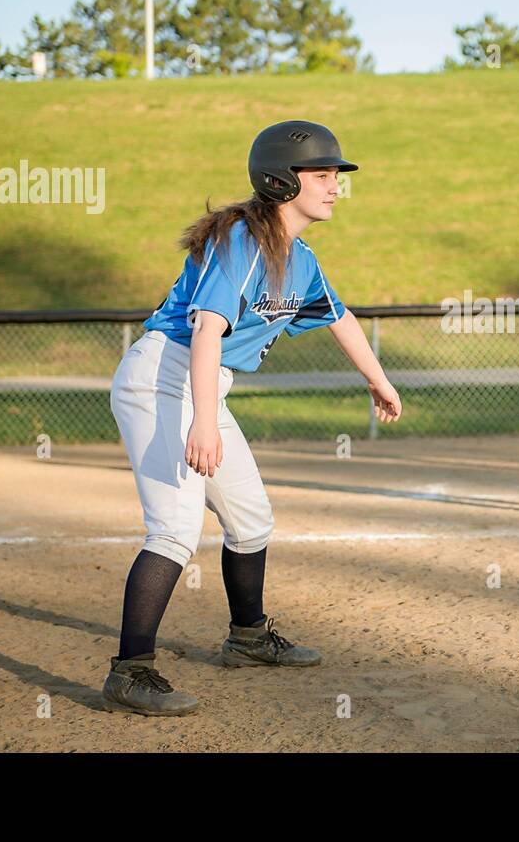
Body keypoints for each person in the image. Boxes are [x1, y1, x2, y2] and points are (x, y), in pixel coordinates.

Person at [103, 121, 402, 716]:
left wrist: (379, 379)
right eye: (322, 175)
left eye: (335, 176)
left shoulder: (301, 259)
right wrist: (205, 422)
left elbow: (339, 318)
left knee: (251, 518)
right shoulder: (242, 240)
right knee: (174, 529)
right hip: (165, 378)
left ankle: (247, 638)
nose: (335, 186)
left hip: (200, 385)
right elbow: (207, 329)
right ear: (282, 180)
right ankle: (130, 672)